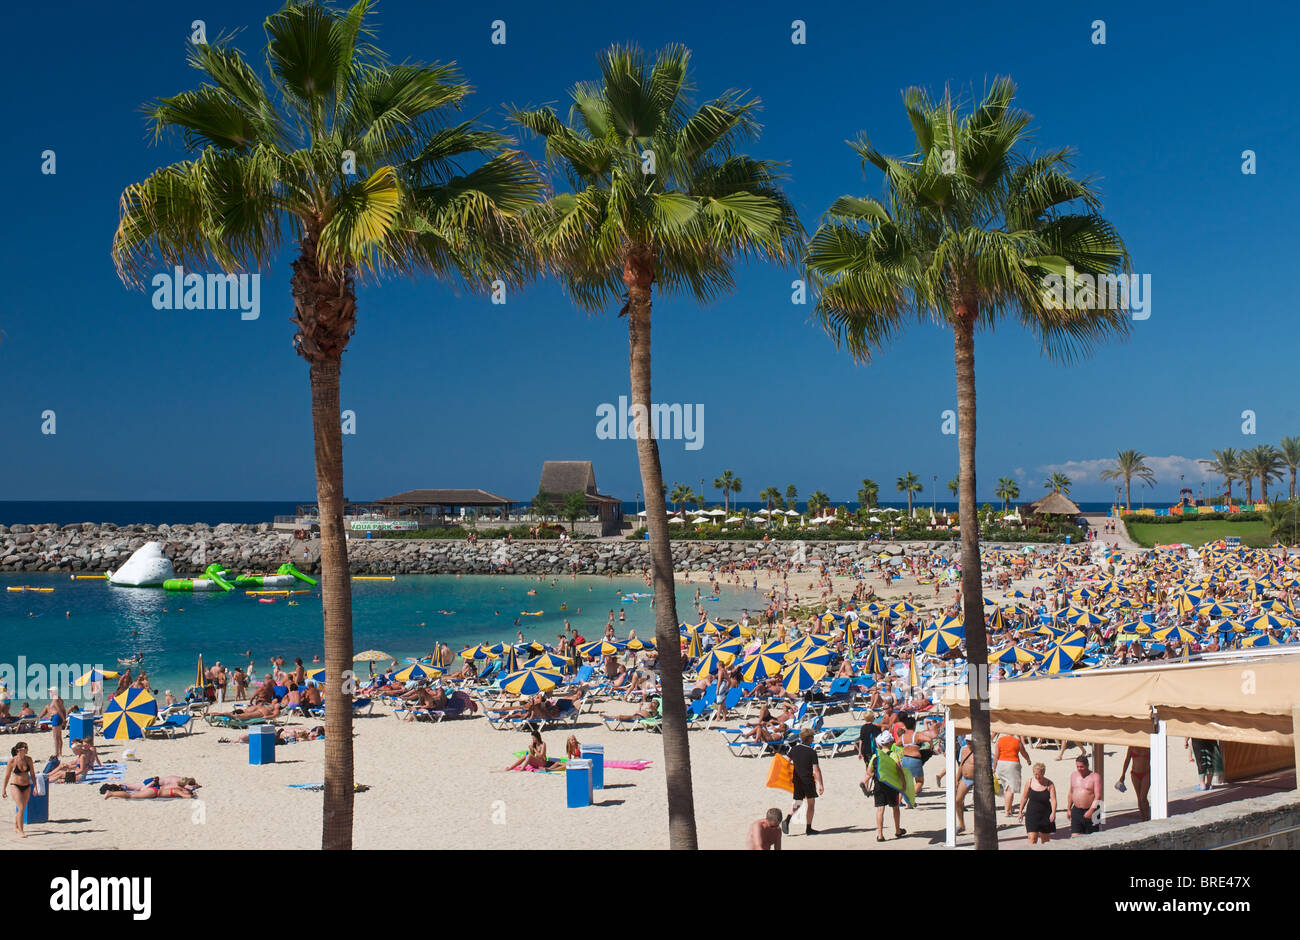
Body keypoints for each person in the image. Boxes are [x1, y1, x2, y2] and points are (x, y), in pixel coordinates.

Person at [782, 729, 824, 836]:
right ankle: (809, 829)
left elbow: (786, 762)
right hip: (808, 780)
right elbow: (816, 769)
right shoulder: (811, 752)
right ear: (809, 738)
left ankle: (787, 819)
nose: (813, 738)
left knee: (798, 801)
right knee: (811, 804)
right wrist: (821, 784)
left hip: (797, 780)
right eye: (812, 737)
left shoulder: (794, 749)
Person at [866, 731, 906, 841]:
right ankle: (898, 830)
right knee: (895, 807)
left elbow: (869, 772)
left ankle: (880, 835)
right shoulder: (893, 754)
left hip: (878, 784)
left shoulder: (875, 755)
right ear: (889, 743)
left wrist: (877, 775)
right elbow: (899, 770)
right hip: (891, 785)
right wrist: (903, 784)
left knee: (880, 809)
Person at [1018, 762, 1058, 844]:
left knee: (1045, 841)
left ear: (1043, 773)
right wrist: (1020, 811)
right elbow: (1024, 797)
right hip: (1032, 815)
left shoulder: (1049, 784)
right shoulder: (1029, 782)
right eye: (1035, 774)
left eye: (1039, 774)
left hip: (1045, 815)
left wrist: (1053, 813)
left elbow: (1053, 800)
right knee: (1032, 839)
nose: (1037, 777)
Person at [993, 732, 1031, 815]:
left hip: (1001, 764)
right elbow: (1023, 752)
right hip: (1012, 763)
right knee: (1010, 789)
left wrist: (994, 767)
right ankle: (1007, 811)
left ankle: (1009, 808)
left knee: (1006, 787)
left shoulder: (1000, 740)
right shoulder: (1017, 741)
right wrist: (1028, 760)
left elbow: (996, 755)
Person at [3, 742, 35, 837]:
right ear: (19, 750)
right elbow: (7, 776)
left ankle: (16, 827)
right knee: (21, 807)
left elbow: (32, 774)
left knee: (22, 808)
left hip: (27, 786)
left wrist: (36, 786)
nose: (27, 749)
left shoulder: (29, 759)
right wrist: (4, 789)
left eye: (27, 747)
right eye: (25, 747)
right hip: (15, 785)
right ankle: (21, 830)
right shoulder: (12, 761)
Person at [1068, 754, 1103, 835]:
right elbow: (1071, 792)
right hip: (1077, 810)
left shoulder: (1095, 776)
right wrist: (1068, 809)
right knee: (1075, 836)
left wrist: (1091, 811)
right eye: (1077, 767)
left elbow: (1098, 796)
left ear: (1087, 765)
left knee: (1094, 838)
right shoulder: (1073, 775)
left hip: (1093, 810)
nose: (1079, 769)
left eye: (1081, 767)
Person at [1120, 744, 1152, 820]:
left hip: (1146, 773)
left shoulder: (1149, 745)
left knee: (1143, 797)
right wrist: (1123, 774)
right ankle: (1143, 817)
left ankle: (1147, 816)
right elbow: (1127, 760)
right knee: (1139, 797)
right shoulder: (1132, 746)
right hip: (1135, 774)